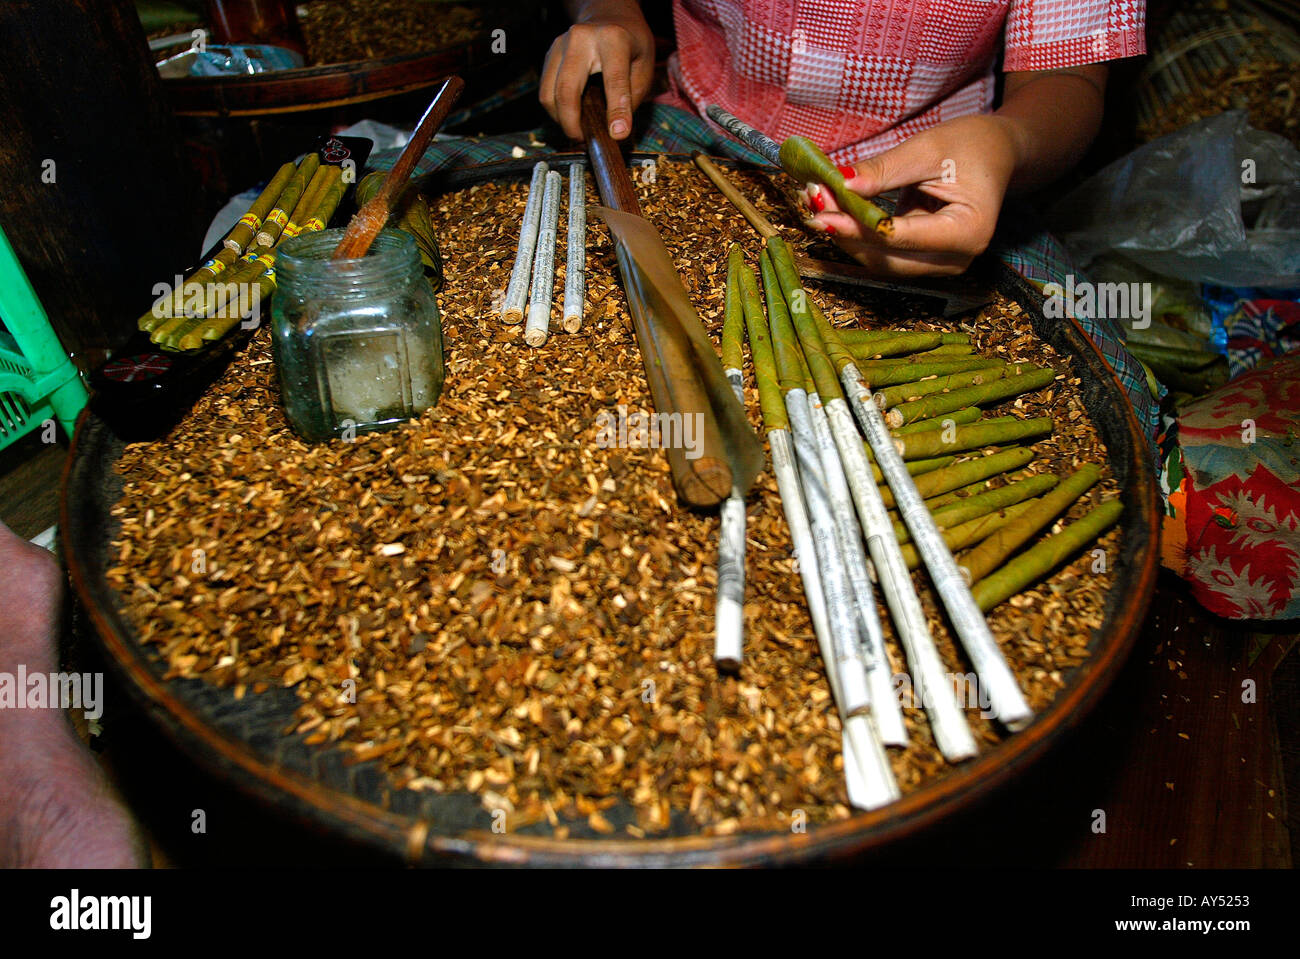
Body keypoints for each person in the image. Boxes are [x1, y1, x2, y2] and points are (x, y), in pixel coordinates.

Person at [540, 0, 1142, 277]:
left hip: (928, 176)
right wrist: (609, 12)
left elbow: (1068, 76)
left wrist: (1008, 141)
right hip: (692, 122)